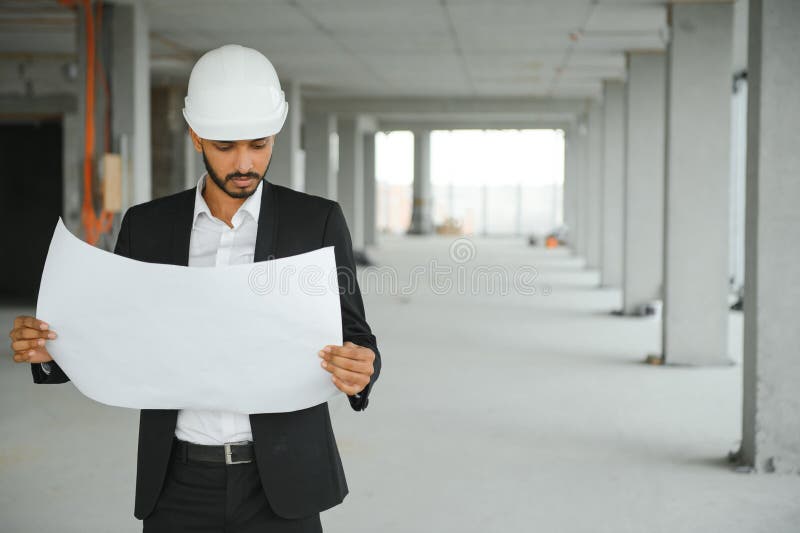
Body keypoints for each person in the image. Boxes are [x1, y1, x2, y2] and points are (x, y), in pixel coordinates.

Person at [7, 44, 381, 533]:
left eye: (259, 144)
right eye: (226, 147)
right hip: (177, 483)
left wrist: (362, 370)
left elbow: (357, 336)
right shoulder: (148, 227)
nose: (245, 163)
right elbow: (114, 333)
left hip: (281, 483)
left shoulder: (316, 222)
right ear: (195, 136)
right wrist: (49, 349)